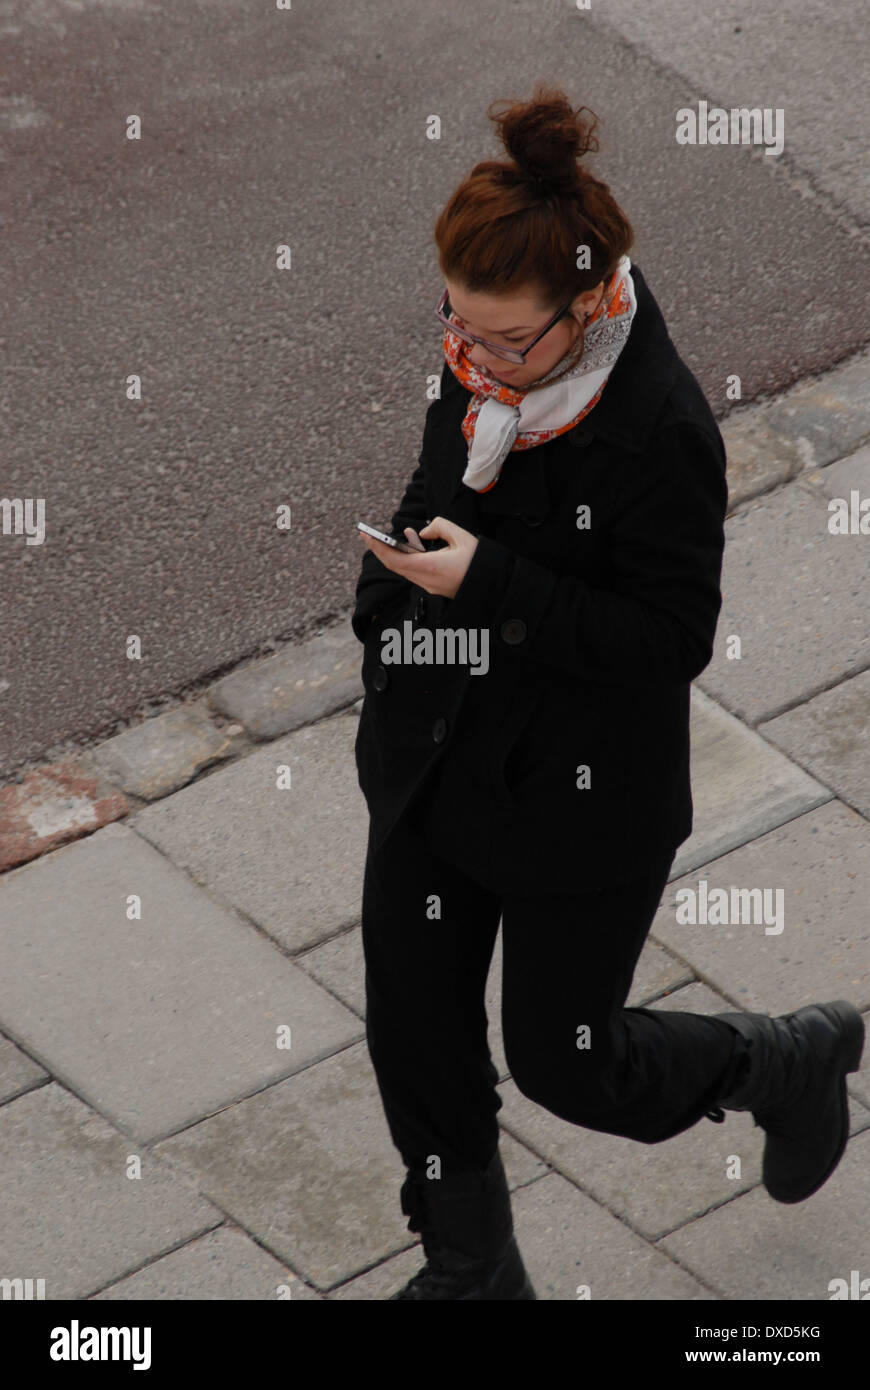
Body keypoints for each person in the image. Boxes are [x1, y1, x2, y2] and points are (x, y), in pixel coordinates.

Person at [350, 85, 864, 1301]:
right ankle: (472, 1267)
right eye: (456, 327)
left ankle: (781, 1061)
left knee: (570, 1064)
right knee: (413, 1032)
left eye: (505, 340)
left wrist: (490, 579)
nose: (473, 358)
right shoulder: (485, 360)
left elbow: (668, 638)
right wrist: (392, 616)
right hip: (436, 754)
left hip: (579, 803)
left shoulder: (659, 430)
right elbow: (432, 492)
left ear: (587, 305)